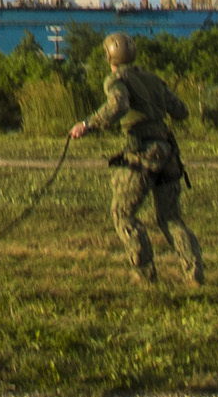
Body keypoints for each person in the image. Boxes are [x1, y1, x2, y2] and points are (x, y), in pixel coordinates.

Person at [71, 31, 203, 288]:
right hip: (168, 153)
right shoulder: (153, 79)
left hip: (141, 153)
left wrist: (87, 124)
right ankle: (193, 269)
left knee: (122, 213)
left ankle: (144, 273)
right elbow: (181, 112)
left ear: (109, 56)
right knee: (170, 218)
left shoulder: (115, 79)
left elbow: (118, 106)